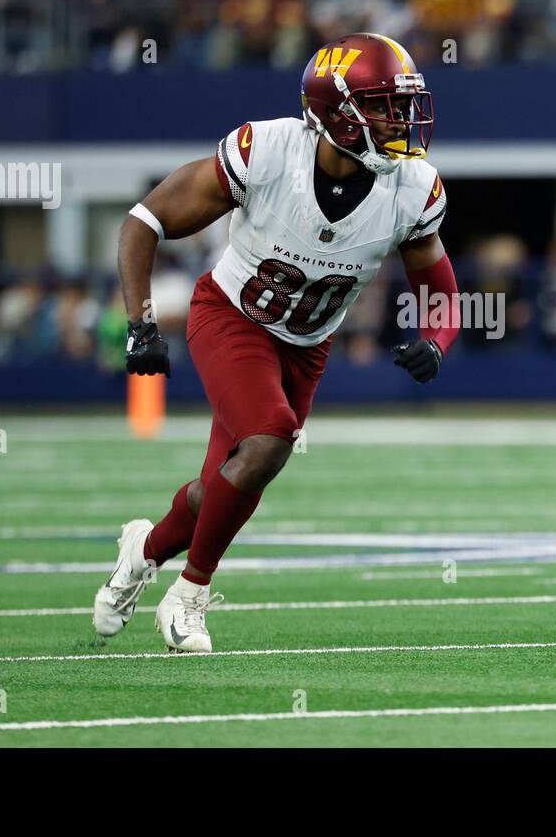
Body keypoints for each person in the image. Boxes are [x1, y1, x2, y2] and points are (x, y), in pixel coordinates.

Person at [92, 33, 459, 652]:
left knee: (227, 484)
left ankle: (142, 551)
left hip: (307, 345)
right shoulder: (268, 151)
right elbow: (144, 221)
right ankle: (189, 597)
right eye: (383, 106)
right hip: (232, 317)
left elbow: (440, 286)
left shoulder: (411, 187)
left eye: (403, 105)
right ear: (336, 111)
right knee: (268, 439)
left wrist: (438, 339)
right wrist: (141, 323)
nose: (400, 121)